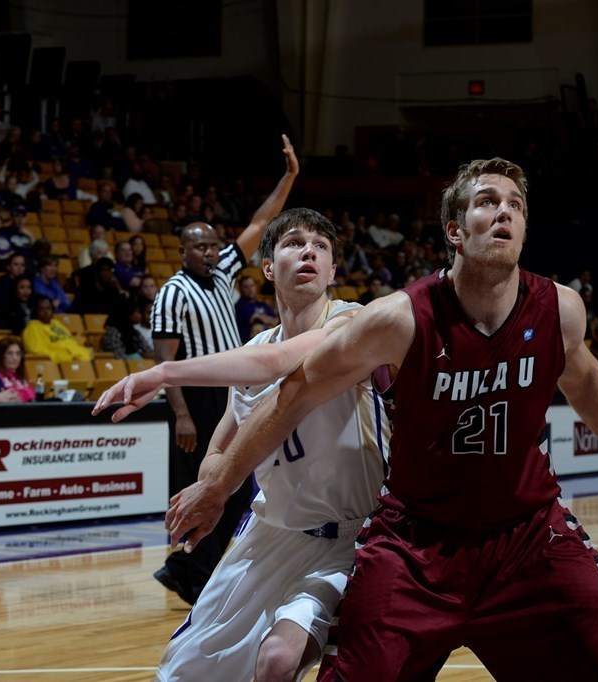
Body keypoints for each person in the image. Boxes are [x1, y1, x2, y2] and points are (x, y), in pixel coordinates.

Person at [166, 158, 598, 681]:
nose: (503, 213)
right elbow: (294, 392)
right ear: (455, 231)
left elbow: (580, 375)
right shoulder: (397, 319)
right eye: (487, 202)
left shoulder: (560, 309)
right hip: (416, 543)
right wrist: (220, 485)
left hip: (528, 536)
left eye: (515, 205)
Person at [93, 208, 388, 682]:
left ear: (333, 271)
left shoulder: (352, 321)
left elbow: (278, 362)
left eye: (320, 246)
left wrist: (165, 371)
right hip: (269, 533)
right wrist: (210, 493)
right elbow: (218, 449)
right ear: (268, 266)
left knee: (277, 661)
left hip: (348, 537)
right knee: (183, 671)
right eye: (294, 242)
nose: (308, 250)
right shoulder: (256, 346)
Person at [147, 134, 299, 604]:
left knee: (236, 484)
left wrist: (290, 176)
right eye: (200, 248)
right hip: (195, 396)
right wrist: (183, 415)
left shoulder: (222, 275)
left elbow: (261, 220)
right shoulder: (172, 293)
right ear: (182, 252)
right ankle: (190, 569)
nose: (210, 253)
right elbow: (165, 360)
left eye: (213, 246)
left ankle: (187, 567)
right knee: (210, 483)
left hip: (230, 390)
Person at [22, 295, 93, 362]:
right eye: (41, 309)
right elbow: (37, 351)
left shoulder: (55, 323)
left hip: (81, 357)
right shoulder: (32, 327)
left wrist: (82, 342)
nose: (46, 312)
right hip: (63, 362)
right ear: (35, 311)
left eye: (48, 308)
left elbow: (69, 338)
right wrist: (64, 356)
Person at [234, 274, 279, 342]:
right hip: (247, 342)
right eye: (246, 287)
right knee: (257, 328)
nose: (250, 289)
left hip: (267, 338)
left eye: (252, 285)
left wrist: (259, 317)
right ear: (240, 289)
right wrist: (266, 320)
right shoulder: (239, 305)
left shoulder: (261, 304)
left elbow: (275, 321)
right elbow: (253, 320)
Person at [0, 336, 36, 402]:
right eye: (10, 353)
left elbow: (33, 397)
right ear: (0, 355)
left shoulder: (20, 376)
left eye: (18, 353)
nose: (15, 358)